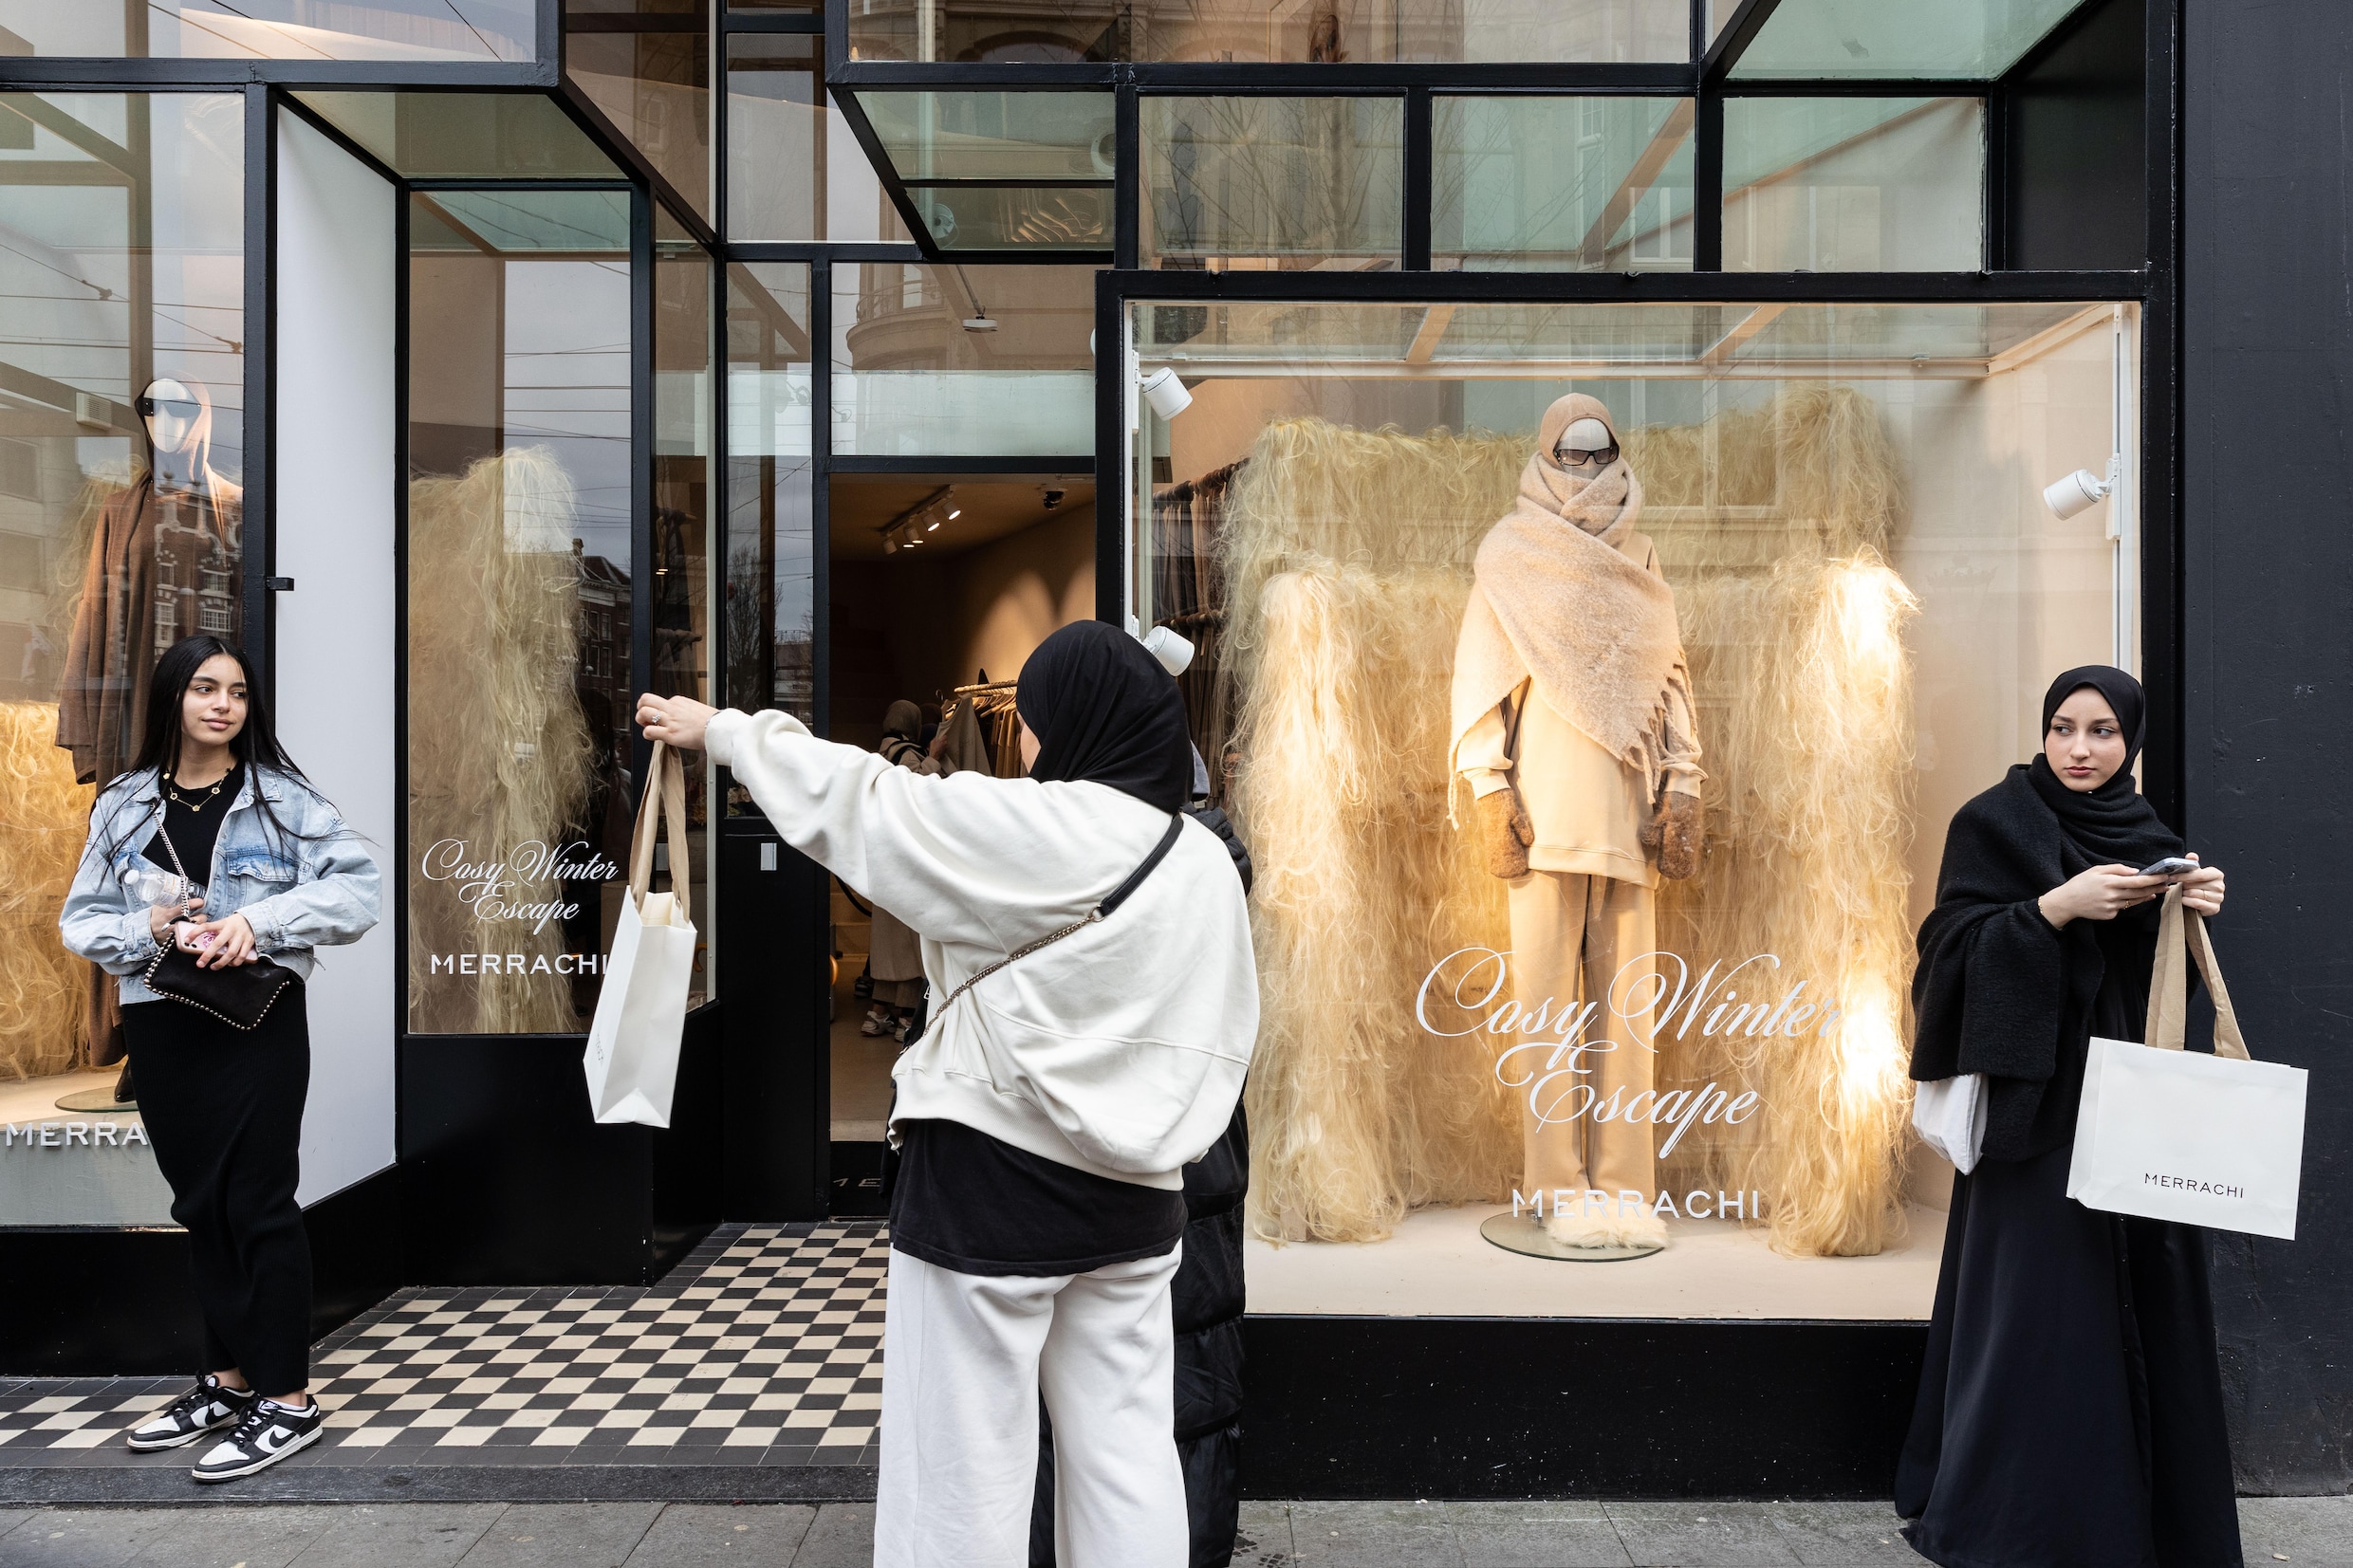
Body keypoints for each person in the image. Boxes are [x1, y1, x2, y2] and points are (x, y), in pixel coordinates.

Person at [637, 619, 1258, 1568]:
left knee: (962, 1467)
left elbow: (866, 803)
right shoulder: (1203, 859)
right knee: (1126, 1454)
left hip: (988, 1192)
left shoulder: (1038, 828)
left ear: (1074, 722)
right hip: (1139, 1198)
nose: (1027, 742)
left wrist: (723, 729)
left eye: (1036, 721)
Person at [1897, 666, 2238, 1568]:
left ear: (2130, 743)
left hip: (2128, 1096)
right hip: (2035, 1109)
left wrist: (2186, 908)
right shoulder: (1994, 821)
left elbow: (2146, 982)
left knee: (2128, 1291)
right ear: (2042, 733)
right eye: (2062, 728)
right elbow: (1944, 955)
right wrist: (2052, 908)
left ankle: (2137, 1521)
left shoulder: (2146, 833)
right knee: (2038, 1307)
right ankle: (2013, 1519)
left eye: (2100, 732)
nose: (2079, 749)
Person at [60, 635, 381, 1483]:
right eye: (205, 688)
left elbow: (359, 893)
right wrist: (151, 929)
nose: (222, 705)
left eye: (237, 692)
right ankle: (228, 1378)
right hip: (163, 1021)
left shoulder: (281, 799)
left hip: (257, 1019)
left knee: (260, 1200)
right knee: (201, 1204)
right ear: (172, 697)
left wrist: (260, 923)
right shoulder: (125, 804)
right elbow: (81, 922)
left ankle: (286, 1399)